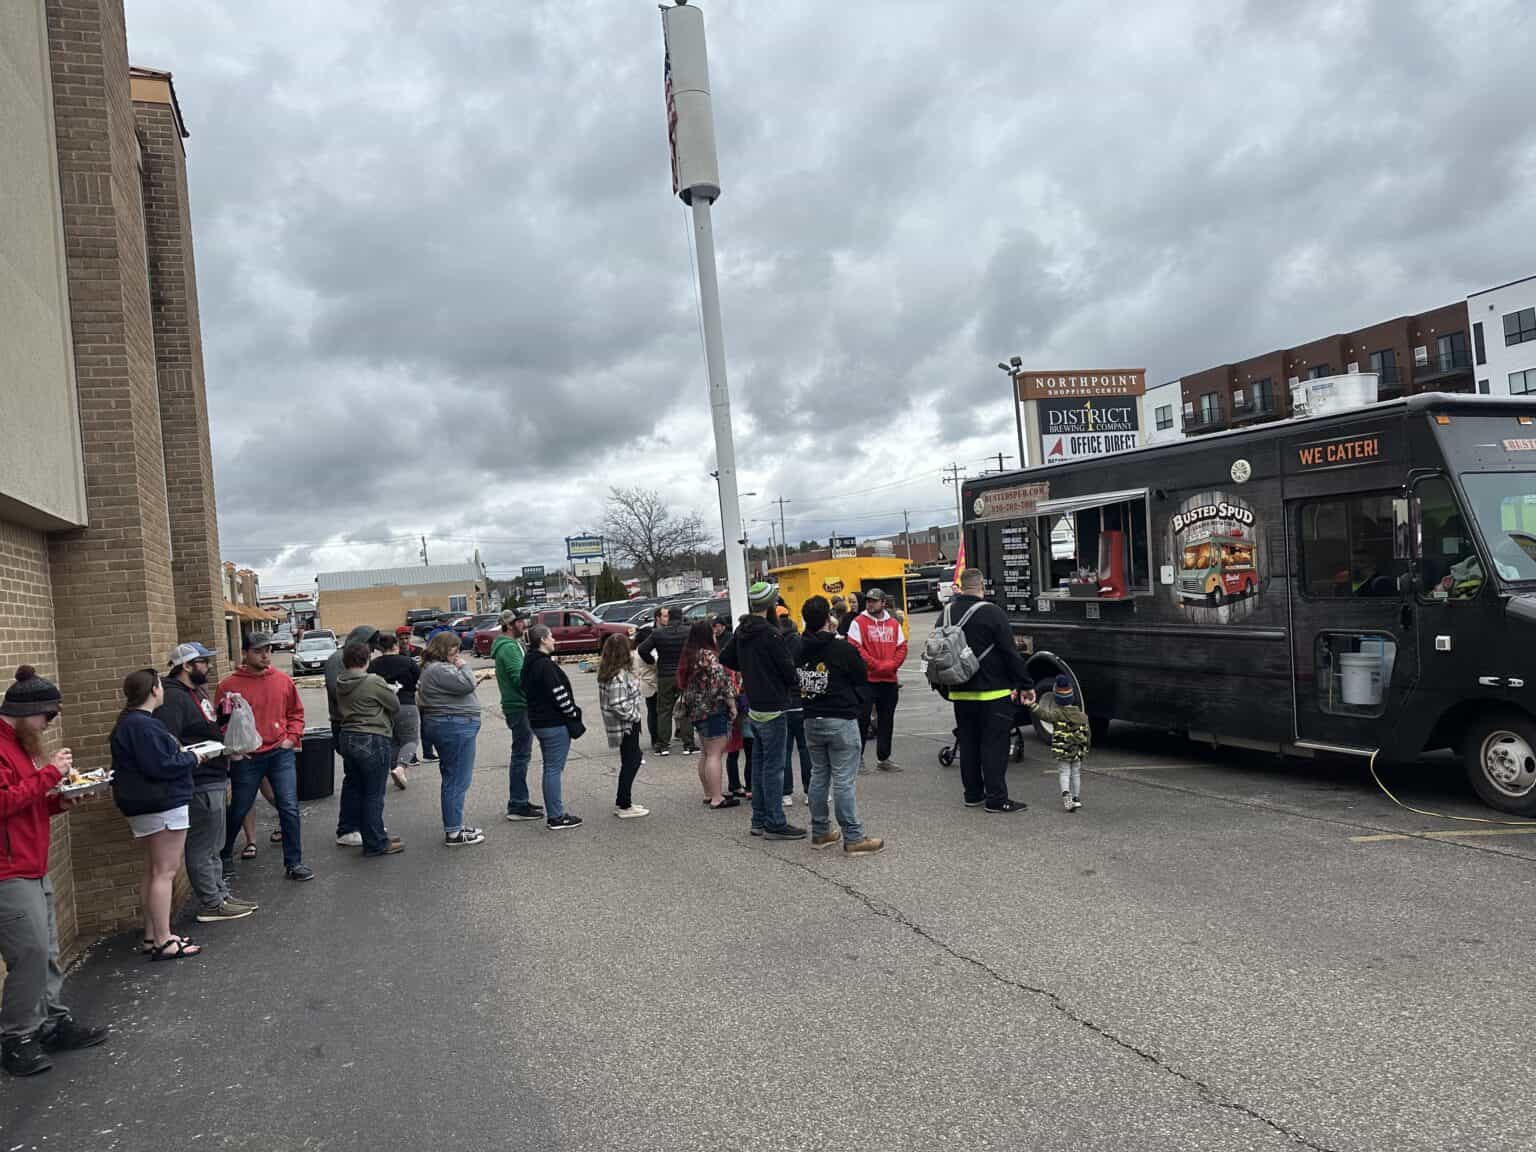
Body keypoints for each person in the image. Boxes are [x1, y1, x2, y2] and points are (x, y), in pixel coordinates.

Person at [0, 666, 110, 1077]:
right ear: (27, 711)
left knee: (45, 950)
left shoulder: (22, 743)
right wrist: (50, 775)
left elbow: (24, 800)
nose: (49, 724)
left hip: (31, 863)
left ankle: (50, 1021)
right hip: (8, 869)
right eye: (47, 716)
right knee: (28, 954)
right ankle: (16, 1038)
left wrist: (57, 802)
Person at [111, 668, 211, 960]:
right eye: (160, 685)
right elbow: (161, 766)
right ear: (154, 689)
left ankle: (153, 935)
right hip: (162, 804)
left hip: (144, 805)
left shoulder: (131, 723)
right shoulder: (144, 726)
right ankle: (165, 940)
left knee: (153, 871)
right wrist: (192, 757)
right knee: (165, 873)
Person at [156, 643, 256, 924]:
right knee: (204, 845)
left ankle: (220, 894)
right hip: (198, 779)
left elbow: (201, 726)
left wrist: (224, 717)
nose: (208, 666)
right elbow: (170, 739)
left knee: (215, 843)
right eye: (202, 662)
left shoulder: (194, 692)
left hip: (213, 774)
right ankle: (211, 903)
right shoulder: (174, 698)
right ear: (186, 666)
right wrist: (199, 754)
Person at [216, 632, 313, 880]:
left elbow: (296, 712)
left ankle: (294, 863)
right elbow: (220, 723)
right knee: (239, 807)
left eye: (268, 650)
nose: (265, 655)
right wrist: (234, 750)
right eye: (259, 650)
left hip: (279, 752)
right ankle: (224, 854)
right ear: (246, 653)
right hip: (247, 757)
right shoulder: (228, 686)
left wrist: (292, 738)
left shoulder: (282, 680)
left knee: (289, 807)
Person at [796, 596, 884, 854]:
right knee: (844, 780)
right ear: (827, 619)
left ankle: (821, 831)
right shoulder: (841, 649)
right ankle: (854, 836)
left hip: (812, 717)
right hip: (840, 718)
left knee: (819, 775)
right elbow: (860, 676)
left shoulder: (798, 649)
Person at [721, 581, 805, 840]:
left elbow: (726, 657)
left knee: (758, 764)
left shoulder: (742, 630)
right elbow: (788, 670)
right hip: (774, 705)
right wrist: (792, 681)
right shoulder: (771, 634)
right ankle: (775, 822)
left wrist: (749, 667)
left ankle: (758, 819)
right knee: (774, 767)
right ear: (771, 604)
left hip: (754, 704)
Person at [944, 568, 1032, 813]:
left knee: (968, 743)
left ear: (961, 585)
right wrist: (1025, 684)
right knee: (994, 746)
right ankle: (996, 798)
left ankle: (972, 794)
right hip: (992, 692)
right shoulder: (992, 613)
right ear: (982, 585)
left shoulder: (947, 612)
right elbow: (1009, 653)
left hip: (959, 690)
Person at [335, 642, 404, 855]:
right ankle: (375, 841)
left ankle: (350, 830)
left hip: (348, 736)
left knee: (355, 786)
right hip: (372, 736)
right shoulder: (373, 681)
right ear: (366, 660)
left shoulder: (341, 681)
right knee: (374, 792)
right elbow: (394, 705)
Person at [418, 631, 485, 846]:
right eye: (454, 649)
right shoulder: (439, 669)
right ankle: (454, 832)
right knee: (457, 781)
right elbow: (467, 684)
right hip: (455, 727)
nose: (457, 654)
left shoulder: (434, 669)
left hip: (451, 725)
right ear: (444, 649)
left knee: (452, 778)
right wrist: (464, 666)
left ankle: (455, 825)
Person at [521, 625, 585, 830]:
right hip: (553, 722)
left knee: (550, 768)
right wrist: (573, 713)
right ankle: (556, 816)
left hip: (538, 720)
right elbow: (559, 694)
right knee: (553, 769)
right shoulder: (545, 666)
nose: (554, 640)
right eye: (551, 637)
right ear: (542, 640)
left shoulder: (529, 663)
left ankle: (555, 813)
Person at [679, 620, 739, 810]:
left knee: (705, 753)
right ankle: (716, 797)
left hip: (696, 710)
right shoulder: (709, 656)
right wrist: (732, 704)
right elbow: (722, 682)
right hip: (713, 708)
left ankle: (708, 792)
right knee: (714, 754)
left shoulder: (689, 656)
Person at [846, 587, 907, 772]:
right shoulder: (859, 622)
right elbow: (855, 647)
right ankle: (858, 759)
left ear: (883, 603)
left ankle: (884, 758)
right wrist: (875, 664)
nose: (870, 604)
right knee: (862, 720)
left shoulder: (893, 624)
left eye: (874, 601)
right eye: (868, 601)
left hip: (889, 679)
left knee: (887, 719)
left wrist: (891, 666)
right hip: (867, 679)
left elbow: (902, 647)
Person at [492, 609, 544, 822]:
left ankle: (520, 800)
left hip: (519, 706)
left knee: (521, 754)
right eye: (521, 621)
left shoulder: (511, 645)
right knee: (521, 756)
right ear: (510, 625)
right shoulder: (509, 648)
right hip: (519, 707)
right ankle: (518, 804)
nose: (525, 625)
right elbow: (519, 678)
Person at [596, 634, 648, 818]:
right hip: (625, 725)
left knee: (631, 760)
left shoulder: (610, 671)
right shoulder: (618, 676)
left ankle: (624, 801)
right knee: (632, 761)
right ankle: (624, 804)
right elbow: (617, 704)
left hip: (621, 725)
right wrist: (634, 716)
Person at [1025, 675, 1089, 811]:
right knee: (1076, 773)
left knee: (1064, 773)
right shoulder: (1082, 716)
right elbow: (1087, 734)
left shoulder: (1057, 713)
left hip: (1063, 750)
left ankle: (1067, 794)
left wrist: (1032, 705)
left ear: (1057, 699)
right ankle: (1077, 798)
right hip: (1077, 750)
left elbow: (1044, 715)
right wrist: (1085, 748)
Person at [636, 605, 694, 756]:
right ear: (681, 617)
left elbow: (642, 649)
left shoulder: (658, 633)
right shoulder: (688, 632)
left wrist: (652, 662)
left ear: (669, 617)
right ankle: (688, 744)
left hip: (665, 675)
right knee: (685, 709)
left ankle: (663, 746)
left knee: (664, 711)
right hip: (684, 674)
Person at [368, 632, 419, 789]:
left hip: (385, 708)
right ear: (395, 646)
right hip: (406, 704)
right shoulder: (408, 661)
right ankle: (400, 767)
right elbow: (419, 678)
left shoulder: (374, 665)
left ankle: (394, 769)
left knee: (393, 741)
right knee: (410, 740)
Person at [778, 611, 812, 805]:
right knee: (806, 748)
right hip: (802, 701)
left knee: (785, 749)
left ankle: (785, 793)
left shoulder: (776, 647)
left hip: (783, 703)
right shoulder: (802, 644)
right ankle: (810, 790)